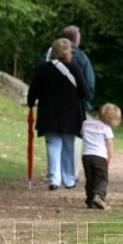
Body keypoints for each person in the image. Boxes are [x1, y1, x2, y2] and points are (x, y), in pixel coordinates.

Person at [28, 38, 90, 190]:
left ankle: (54, 179)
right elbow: (85, 92)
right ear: (65, 53)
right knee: (69, 146)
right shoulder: (74, 69)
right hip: (70, 114)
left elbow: (33, 91)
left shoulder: (43, 69)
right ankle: (69, 179)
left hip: (49, 114)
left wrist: (31, 104)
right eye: (70, 52)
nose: (71, 55)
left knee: (52, 145)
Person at [44, 25, 95, 111]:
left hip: (50, 102)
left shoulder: (48, 53)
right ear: (76, 40)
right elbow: (89, 83)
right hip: (74, 104)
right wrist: (85, 100)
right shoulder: (81, 57)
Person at [81, 103, 121, 209]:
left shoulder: (85, 123)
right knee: (101, 178)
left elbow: (82, 134)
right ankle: (98, 196)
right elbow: (109, 143)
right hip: (100, 157)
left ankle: (90, 200)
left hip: (86, 156)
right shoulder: (106, 128)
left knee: (90, 178)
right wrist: (111, 156)